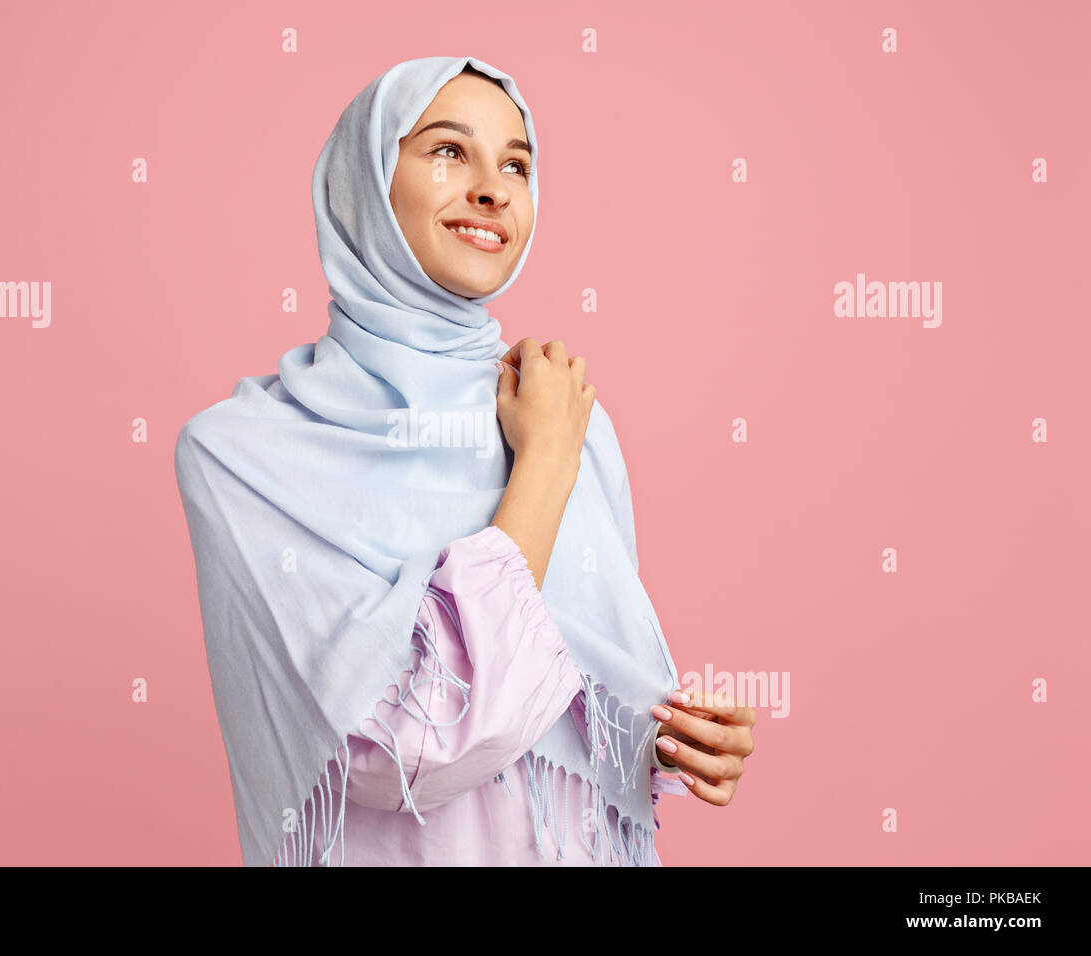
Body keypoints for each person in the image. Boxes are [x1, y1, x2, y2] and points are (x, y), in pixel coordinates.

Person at [174, 56, 754, 867]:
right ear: (366, 183)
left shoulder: (561, 412)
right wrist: (542, 464)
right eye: (449, 151)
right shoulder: (241, 451)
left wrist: (662, 747)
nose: (492, 189)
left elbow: (560, 715)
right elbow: (403, 750)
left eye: (515, 164)